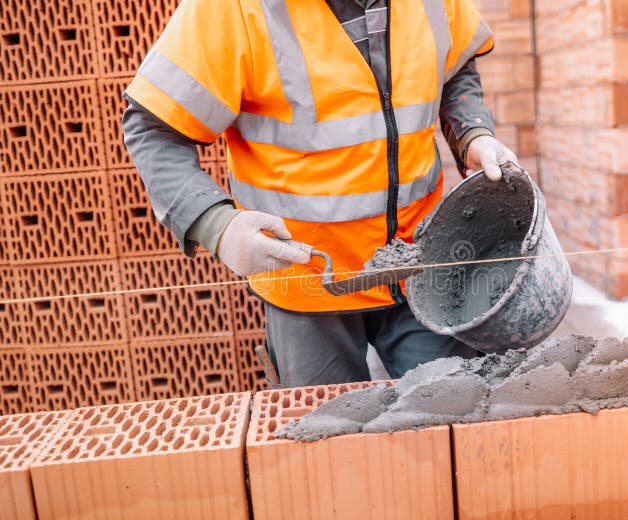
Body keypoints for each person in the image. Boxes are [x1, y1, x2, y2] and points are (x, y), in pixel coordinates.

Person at [122, 0, 519, 387]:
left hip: (420, 261)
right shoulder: (234, 8)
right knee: (329, 445)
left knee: (455, 418)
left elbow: (455, 65)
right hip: (306, 281)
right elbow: (154, 127)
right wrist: (217, 226)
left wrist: (472, 133)